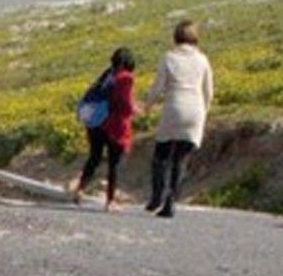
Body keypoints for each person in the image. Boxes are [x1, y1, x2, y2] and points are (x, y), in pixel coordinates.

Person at [145, 20, 214, 218]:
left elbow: (158, 87)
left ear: (176, 37)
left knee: (161, 155)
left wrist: (148, 105)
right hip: (195, 111)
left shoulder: (169, 57)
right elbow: (208, 91)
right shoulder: (203, 60)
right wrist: (204, 112)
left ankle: (157, 196)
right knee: (181, 160)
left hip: (174, 108)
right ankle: (171, 202)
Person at [71, 47, 139, 209]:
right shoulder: (125, 78)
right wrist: (135, 110)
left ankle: (80, 189)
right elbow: (125, 104)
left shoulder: (107, 74)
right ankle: (110, 200)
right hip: (114, 125)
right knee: (114, 164)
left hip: (96, 122)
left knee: (94, 157)